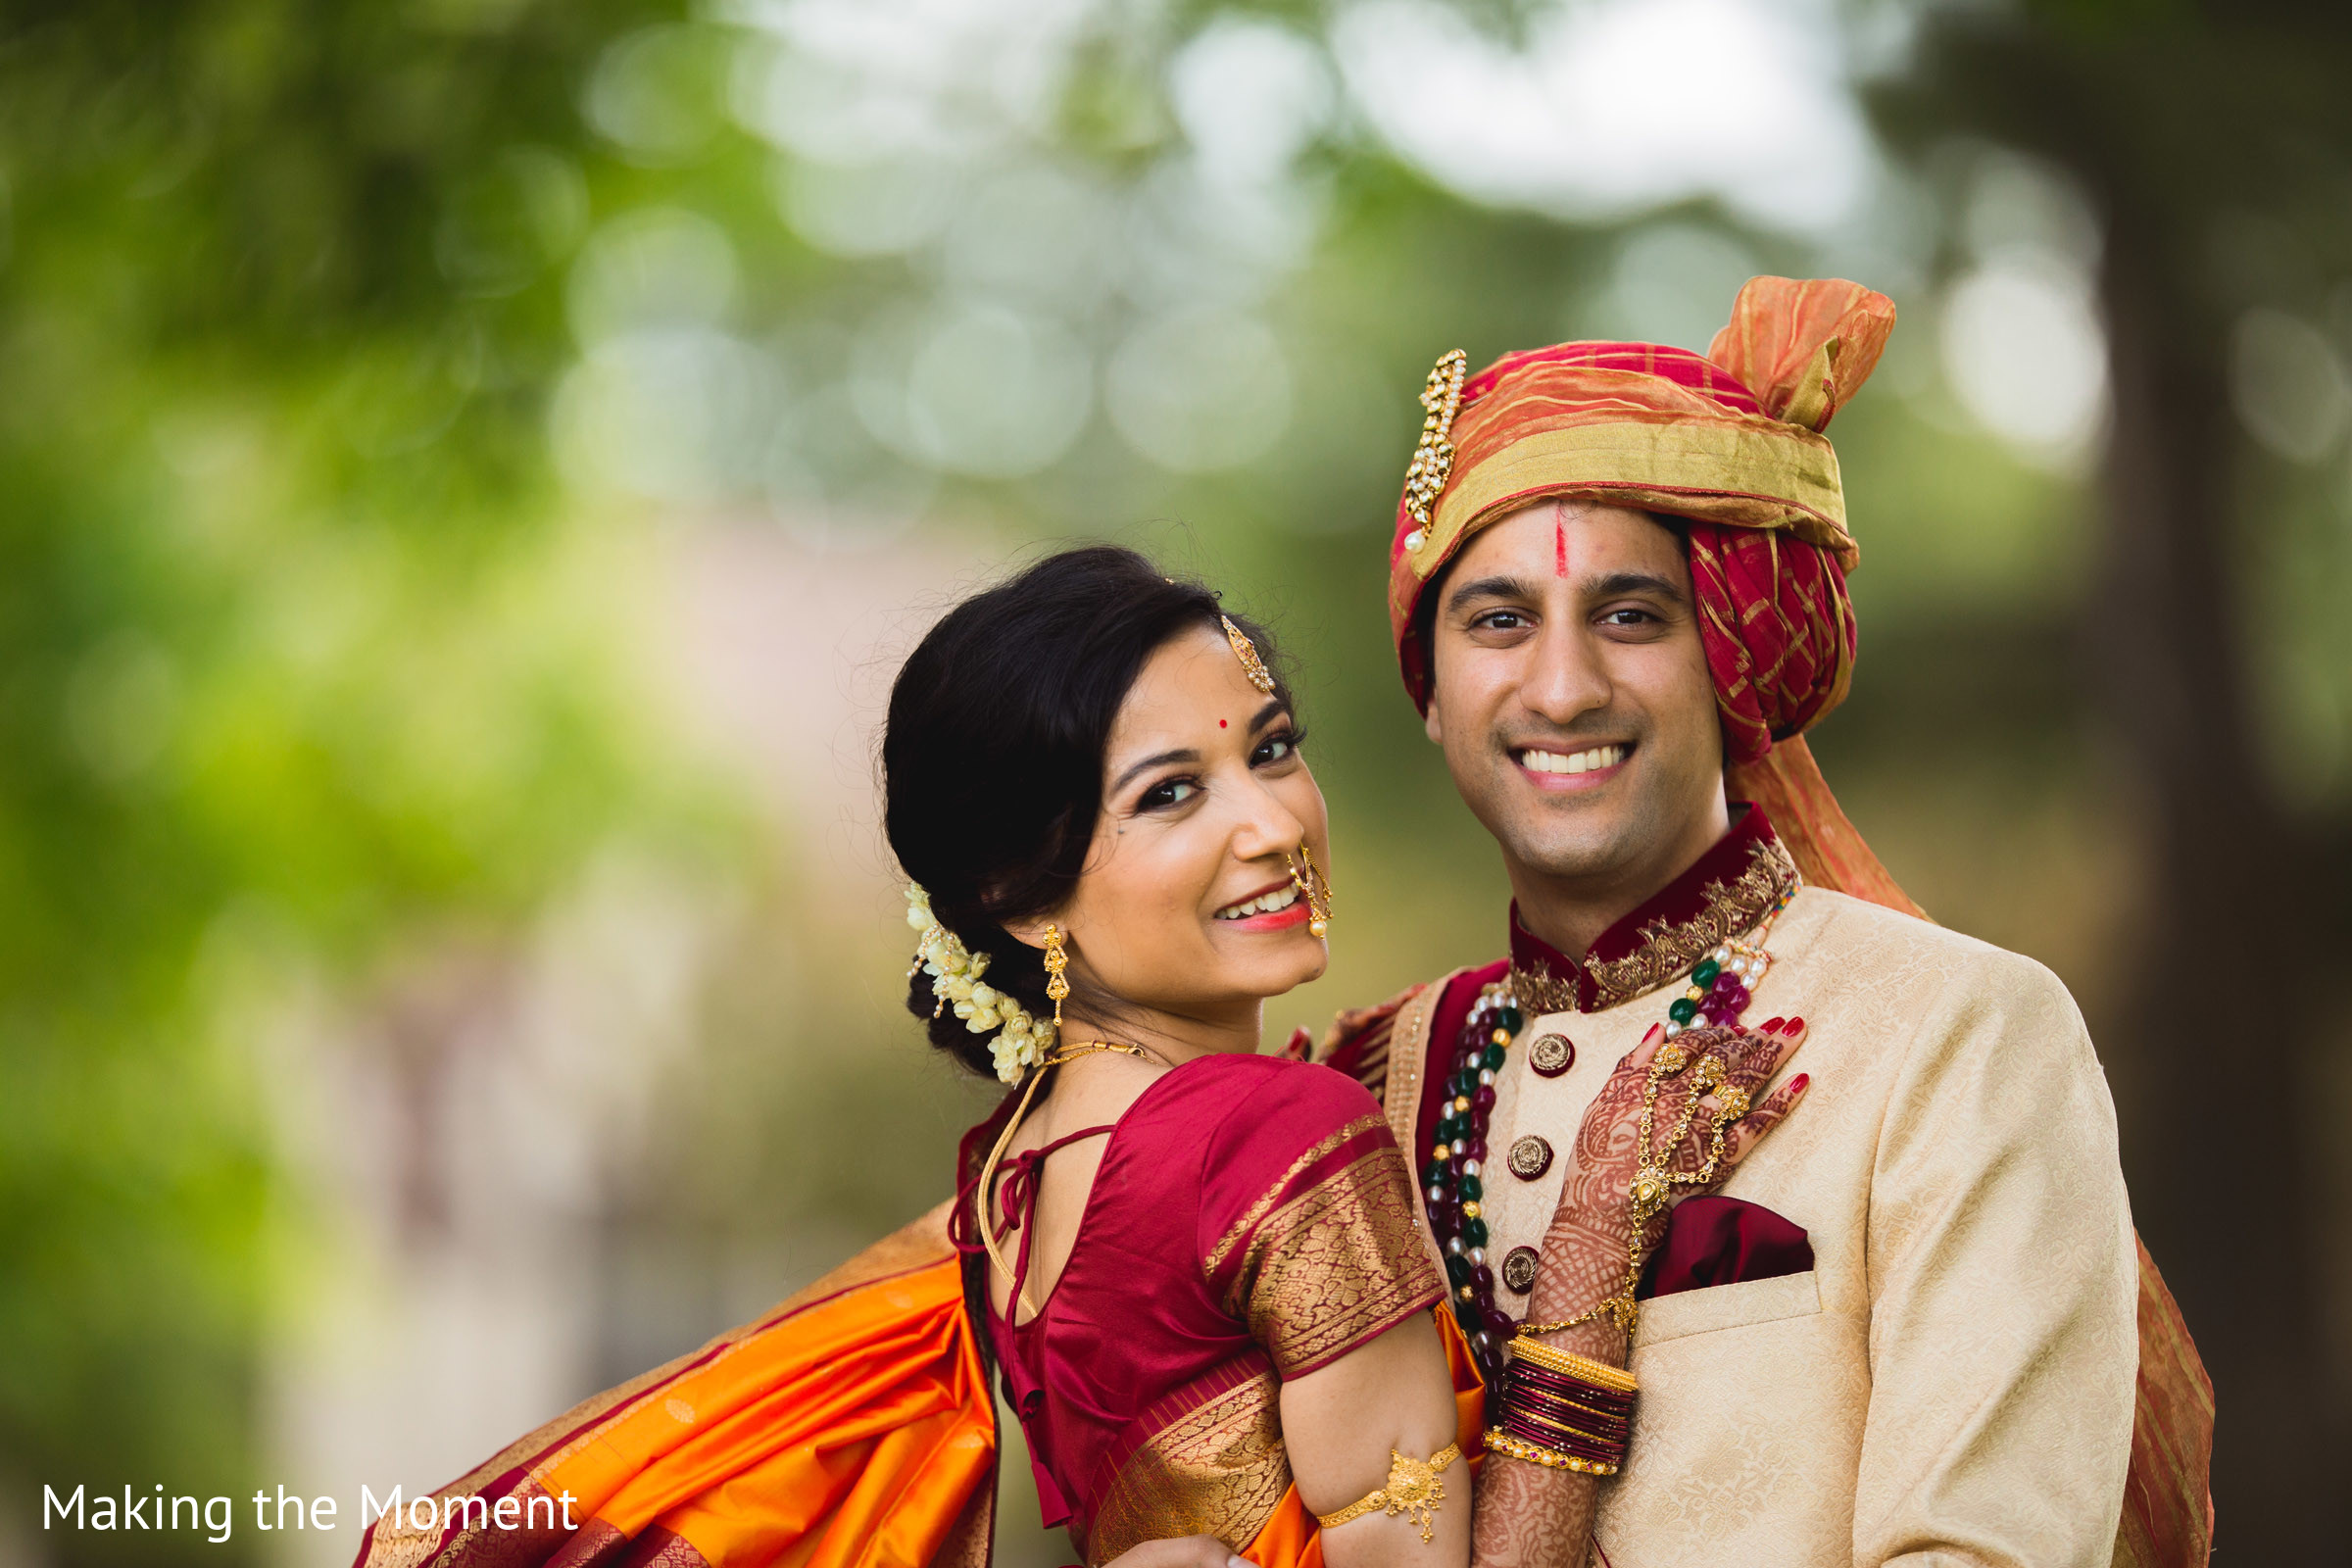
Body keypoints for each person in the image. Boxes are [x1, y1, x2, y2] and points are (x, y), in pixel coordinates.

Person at [349, 549, 1804, 1568]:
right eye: (1172, 794)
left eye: (1272, 747)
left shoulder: (1014, 1169)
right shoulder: (1276, 1138)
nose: (1271, 823)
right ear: (1027, 895)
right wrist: (1599, 1257)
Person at [1319, 277, 2216, 1568]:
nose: (1563, 687)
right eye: (1499, 621)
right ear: (1432, 687)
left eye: (1631, 617)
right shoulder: (1374, 1086)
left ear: (1733, 657)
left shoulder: (1956, 1037)